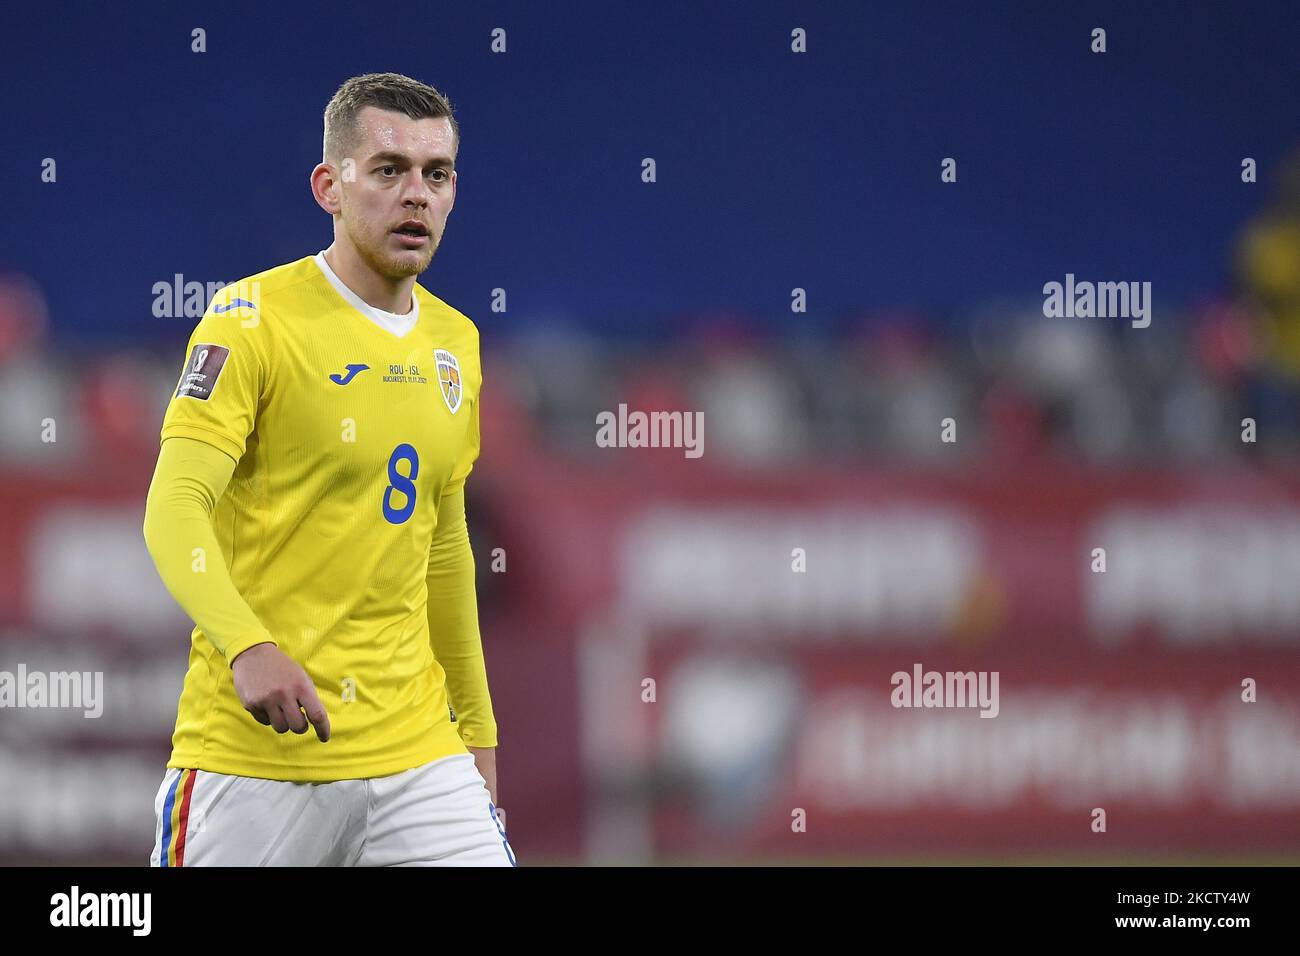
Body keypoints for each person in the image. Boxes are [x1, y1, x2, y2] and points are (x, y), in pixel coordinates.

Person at [142, 72, 514, 866]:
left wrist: (475, 732)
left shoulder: (457, 345)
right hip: (259, 761)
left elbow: (443, 546)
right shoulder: (251, 321)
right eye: (388, 170)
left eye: (436, 175)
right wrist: (248, 647)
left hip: (418, 755)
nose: (416, 195)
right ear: (330, 186)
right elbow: (173, 507)